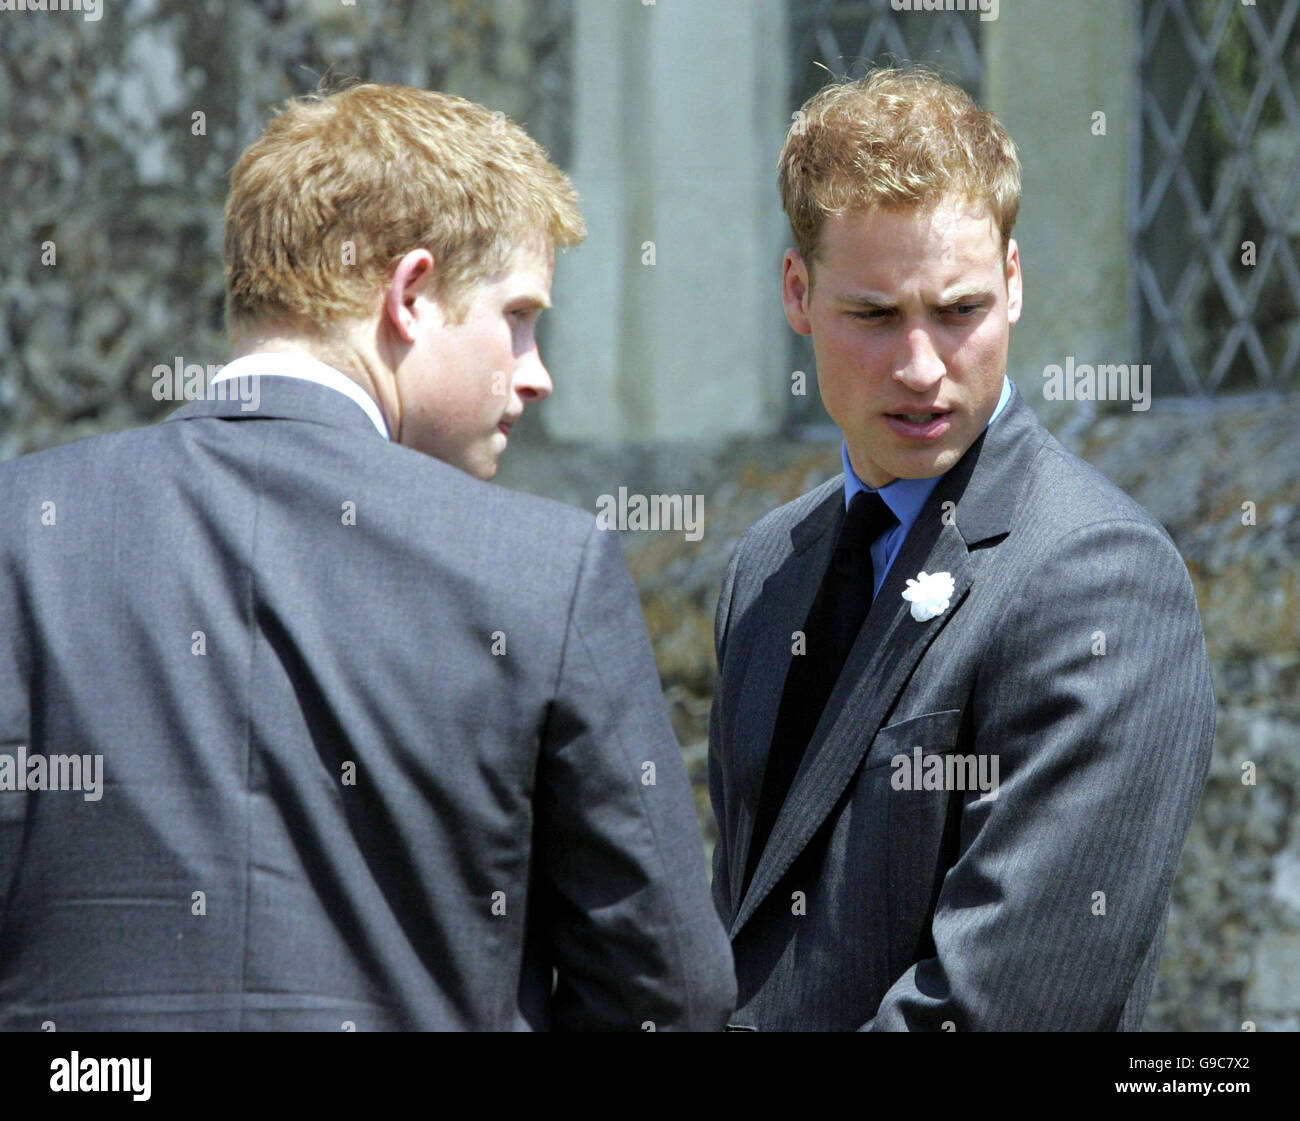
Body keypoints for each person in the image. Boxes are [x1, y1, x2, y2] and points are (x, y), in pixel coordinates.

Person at [0, 82, 734, 1031]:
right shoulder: (540, 571)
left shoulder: (24, 530)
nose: (536, 370)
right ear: (412, 294)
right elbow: (668, 991)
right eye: (517, 315)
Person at [707, 67, 1215, 1031]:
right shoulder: (767, 568)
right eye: (875, 315)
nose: (922, 367)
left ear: (1013, 285)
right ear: (797, 293)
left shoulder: (1098, 579)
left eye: (959, 311)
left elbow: (996, 1005)